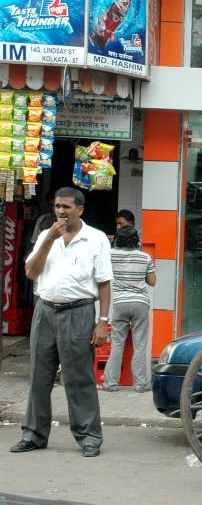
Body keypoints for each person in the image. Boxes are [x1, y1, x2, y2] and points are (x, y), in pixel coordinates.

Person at [10, 187, 112, 457]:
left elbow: (104, 283)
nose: (60, 211)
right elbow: (31, 272)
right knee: (39, 377)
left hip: (78, 313)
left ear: (80, 209)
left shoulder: (96, 239)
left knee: (79, 378)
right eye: (57, 206)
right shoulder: (46, 235)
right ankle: (33, 434)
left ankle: (89, 436)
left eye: (66, 207)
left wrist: (102, 322)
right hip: (44, 312)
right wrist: (48, 241)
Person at [103, 226, 157, 393]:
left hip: (119, 303)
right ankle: (141, 384)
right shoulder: (145, 257)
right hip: (140, 303)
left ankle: (110, 384)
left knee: (117, 344)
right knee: (140, 345)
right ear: (136, 240)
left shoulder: (110, 256)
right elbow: (152, 281)